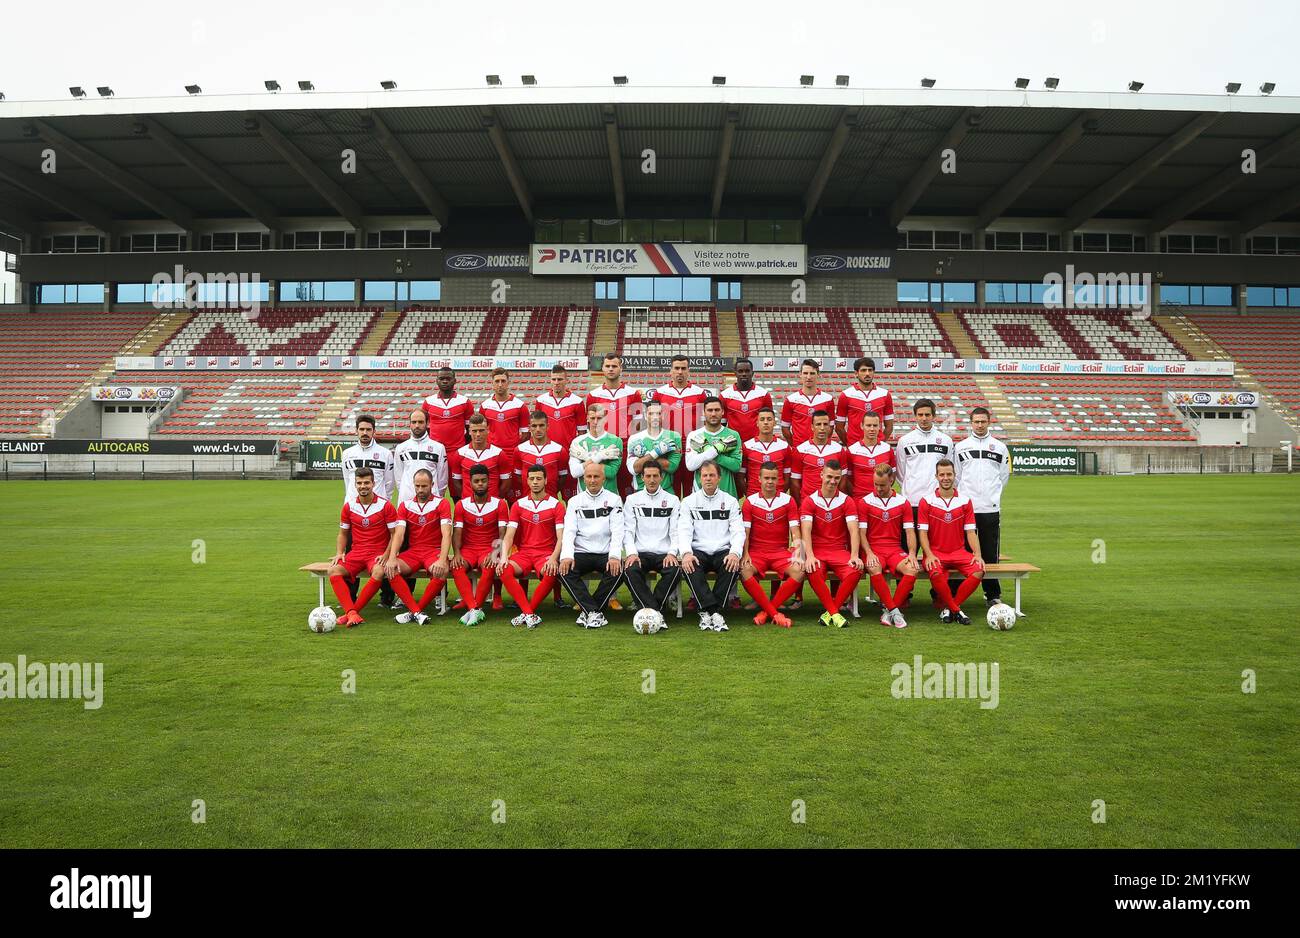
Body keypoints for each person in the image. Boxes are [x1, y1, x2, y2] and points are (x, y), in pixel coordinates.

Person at [328, 466, 401, 628]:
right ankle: (352, 613)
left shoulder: (385, 506)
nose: (363, 486)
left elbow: (394, 534)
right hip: (356, 553)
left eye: (366, 483)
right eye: (359, 483)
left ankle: (352, 612)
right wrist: (340, 552)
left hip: (377, 554)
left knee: (379, 571)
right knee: (333, 570)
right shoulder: (348, 506)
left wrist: (387, 554)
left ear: (373, 483)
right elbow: (342, 534)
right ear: (355, 484)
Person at [677, 461, 745, 632]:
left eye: (712, 475)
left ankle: (706, 612)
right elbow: (683, 531)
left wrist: (735, 553)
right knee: (689, 564)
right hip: (698, 550)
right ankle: (714, 612)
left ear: (719, 478)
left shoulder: (730, 501)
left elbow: (738, 531)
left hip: (723, 550)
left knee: (732, 565)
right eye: (705, 475)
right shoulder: (688, 502)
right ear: (700, 478)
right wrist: (685, 553)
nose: (708, 479)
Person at [917, 458, 985, 625]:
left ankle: (950, 608)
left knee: (979, 570)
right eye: (942, 475)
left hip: (958, 552)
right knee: (934, 571)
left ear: (955, 475)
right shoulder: (926, 501)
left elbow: (970, 531)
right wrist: (929, 555)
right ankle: (957, 611)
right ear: (936, 476)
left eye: (949, 474)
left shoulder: (965, 500)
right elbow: (922, 533)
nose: (945, 478)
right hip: (936, 553)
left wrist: (977, 554)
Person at [495, 464, 564, 629]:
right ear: (526, 481)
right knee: (504, 569)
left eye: (539, 478)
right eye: (532, 479)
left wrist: (554, 558)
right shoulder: (519, 505)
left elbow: (562, 538)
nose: (535, 482)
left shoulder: (556, 505)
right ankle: (529, 613)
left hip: (545, 554)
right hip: (525, 554)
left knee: (551, 571)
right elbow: (509, 535)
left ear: (546, 480)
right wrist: (504, 557)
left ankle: (527, 612)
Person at [954, 407, 1010, 605]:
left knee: (989, 553)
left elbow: (1003, 476)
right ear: (971, 422)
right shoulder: (960, 447)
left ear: (989, 422)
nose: (979, 425)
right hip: (965, 508)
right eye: (976, 421)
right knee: (961, 552)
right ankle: (956, 594)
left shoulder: (1000, 447)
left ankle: (992, 595)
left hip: (989, 508)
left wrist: (991, 496)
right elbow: (957, 477)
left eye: (983, 421)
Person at [559, 462, 625, 629]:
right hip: (582, 552)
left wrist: (615, 556)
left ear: (603, 478)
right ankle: (594, 611)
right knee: (564, 570)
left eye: (596, 476)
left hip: (605, 553)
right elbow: (569, 531)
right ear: (583, 479)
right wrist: (567, 556)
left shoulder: (614, 499)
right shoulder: (574, 501)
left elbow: (617, 531)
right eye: (589, 476)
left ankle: (589, 611)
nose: (593, 480)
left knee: (620, 569)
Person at [800, 460, 864, 629]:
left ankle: (830, 612)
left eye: (837, 478)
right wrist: (810, 556)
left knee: (856, 569)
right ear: (821, 475)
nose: (832, 481)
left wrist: (855, 555)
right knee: (812, 568)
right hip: (818, 551)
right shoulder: (810, 501)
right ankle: (835, 613)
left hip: (838, 550)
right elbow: (805, 530)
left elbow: (854, 530)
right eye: (829, 476)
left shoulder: (847, 501)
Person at [341, 414, 397, 607]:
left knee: (384, 553)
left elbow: (389, 483)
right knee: (351, 554)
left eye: (368, 429)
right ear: (356, 430)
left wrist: (382, 505)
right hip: (353, 511)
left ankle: (387, 596)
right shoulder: (347, 454)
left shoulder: (385, 453)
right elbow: (348, 481)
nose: (365, 433)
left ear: (374, 431)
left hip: (378, 512)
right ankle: (350, 597)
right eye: (361, 429)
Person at [384, 468, 453, 625]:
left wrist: (443, 559)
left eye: (424, 486)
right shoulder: (405, 505)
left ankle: (414, 611)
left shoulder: (442, 503)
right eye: (417, 486)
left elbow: (447, 534)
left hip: (432, 552)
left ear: (432, 484)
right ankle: (416, 611)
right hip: (413, 552)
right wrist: (392, 557)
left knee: (442, 572)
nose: (420, 490)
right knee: (391, 569)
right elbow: (399, 534)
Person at [739, 462, 804, 628]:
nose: (770, 481)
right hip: (757, 552)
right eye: (766, 478)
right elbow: (745, 533)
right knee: (744, 569)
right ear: (759, 479)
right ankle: (774, 612)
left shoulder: (788, 501)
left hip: (779, 552)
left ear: (779, 480)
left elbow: (795, 530)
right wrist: (745, 553)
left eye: (773, 478)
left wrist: (798, 552)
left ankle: (766, 611)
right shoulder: (750, 502)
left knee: (799, 570)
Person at [857, 464, 919, 629]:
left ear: (891, 480)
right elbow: (861, 533)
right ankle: (895, 611)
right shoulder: (865, 502)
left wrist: (912, 553)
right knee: (874, 567)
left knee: (912, 569)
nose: (878, 488)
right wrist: (868, 553)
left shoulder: (902, 502)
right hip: (873, 550)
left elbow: (910, 532)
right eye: (875, 484)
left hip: (894, 550)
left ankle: (889, 611)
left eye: (882, 485)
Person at [449, 465, 509, 626]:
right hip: (468, 549)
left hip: (488, 549)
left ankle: (473, 608)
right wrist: (457, 553)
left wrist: (495, 552)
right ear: (470, 483)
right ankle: (474, 608)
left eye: (483, 480)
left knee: (490, 567)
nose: (480, 484)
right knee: (456, 566)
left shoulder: (500, 504)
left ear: (489, 482)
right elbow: (457, 532)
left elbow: (503, 532)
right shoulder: (461, 505)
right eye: (476, 481)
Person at [622, 462, 683, 618]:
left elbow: (676, 532)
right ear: (642, 478)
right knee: (629, 570)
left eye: (655, 476)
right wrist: (631, 553)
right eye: (648, 476)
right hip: (640, 553)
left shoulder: (673, 500)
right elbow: (628, 531)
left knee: (675, 571)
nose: (652, 480)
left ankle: (649, 610)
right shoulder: (631, 500)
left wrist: (671, 553)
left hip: (664, 553)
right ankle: (654, 611)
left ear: (661, 477)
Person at [652, 354, 712, 496]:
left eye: (683, 368)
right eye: (677, 368)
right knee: (669, 488)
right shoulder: (660, 393)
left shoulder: (699, 393)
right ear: (670, 371)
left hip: (693, 448)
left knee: (693, 488)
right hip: (669, 449)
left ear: (688, 370)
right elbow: (653, 421)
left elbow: (706, 422)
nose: (680, 372)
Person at [586, 352, 642, 496]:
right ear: (603, 369)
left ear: (620, 368)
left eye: (614, 366)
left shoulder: (633, 393)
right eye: (607, 366)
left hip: (625, 448)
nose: (611, 369)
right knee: (603, 490)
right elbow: (591, 424)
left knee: (627, 491)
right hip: (601, 448)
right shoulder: (593, 395)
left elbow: (638, 425)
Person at [894, 397, 954, 518]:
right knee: (912, 536)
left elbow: (948, 470)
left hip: (937, 501)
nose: (924, 418)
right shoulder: (904, 441)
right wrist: (910, 487)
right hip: (911, 501)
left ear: (933, 416)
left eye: (927, 414)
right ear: (915, 416)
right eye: (920, 415)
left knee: (936, 537)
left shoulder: (945, 440)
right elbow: (901, 473)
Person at [534, 364, 586, 497]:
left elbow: (582, 433)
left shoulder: (577, 402)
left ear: (566, 380)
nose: (556, 383)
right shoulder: (541, 401)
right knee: (545, 494)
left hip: (568, 455)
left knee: (571, 496)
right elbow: (536, 428)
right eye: (554, 379)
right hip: (547, 454)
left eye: (560, 379)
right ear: (550, 380)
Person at [480, 367, 530, 485]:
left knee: (514, 492)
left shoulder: (519, 405)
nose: (500, 384)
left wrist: (515, 450)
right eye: (497, 381)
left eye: (503, 381)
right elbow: (481, 432)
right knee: (492, 490)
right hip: (491, 453)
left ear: (508, 383)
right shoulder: (485, 405)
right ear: (492, 384)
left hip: (512, 455)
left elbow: (526, 434)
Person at [684, 397, 743, 496]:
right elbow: (691, 465)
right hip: (700, 492)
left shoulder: (733, 435)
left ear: (723, 411)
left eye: (717, 410)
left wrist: (708, 451)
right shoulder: (694, 435)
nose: (713, 414)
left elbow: (736, 466)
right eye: (710, 410)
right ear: (703, 412)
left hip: (727, 493)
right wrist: (716, 449)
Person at [791, 409, 849, 501]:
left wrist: (838, 501)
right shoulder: (800, 450)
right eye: (818, 424)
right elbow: (795, 482)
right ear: (812, 427)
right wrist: (801, 503)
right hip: (808, 502)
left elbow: (843, 479)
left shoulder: (838, 449)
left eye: (825, 424)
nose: (822, 428)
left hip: (832, 502)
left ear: (830, 427)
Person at [452, 413, 512, 501]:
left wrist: (495, 500)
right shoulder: (460, 453)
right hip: (468, 504)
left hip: (492, 505)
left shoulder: (498, 453)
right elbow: (456, 482)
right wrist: (466, 499)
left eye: (481, 430)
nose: (478, 434)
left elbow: (506, 483)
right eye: (474, 431)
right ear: (469, 431)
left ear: (488, 430)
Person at [626, 400, 682, 494]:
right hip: (641, 491)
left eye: (658, 413)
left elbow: (672, 467)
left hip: (666, 490)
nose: (655, 417)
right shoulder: (635, 438)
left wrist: (645, 457)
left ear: (663, 416)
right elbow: (634, 469)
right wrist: (657, 452)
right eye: (651, 413)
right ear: (645, 416)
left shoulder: (674, 436)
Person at [836, 357, 895, 446]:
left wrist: (880, 443)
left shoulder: (885, 394)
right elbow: (839, 427)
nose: (867, 373)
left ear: (873, 372)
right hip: (854, 448)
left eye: (870, 370)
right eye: (863, 370)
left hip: (877, 448)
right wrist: (850, 445)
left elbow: (889, 427)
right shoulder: (846, 395)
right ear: (856, 373)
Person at [394, 409, 448, 503]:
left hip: (431, 502)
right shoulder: (401, 448)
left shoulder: (438, 448)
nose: (417, 425)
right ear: (410, 424)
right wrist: (406, 492)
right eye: (414, 422)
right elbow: (398, 478)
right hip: (407, 500)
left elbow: (442, 479)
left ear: (427, 423)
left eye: (420, 422)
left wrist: (436, 496)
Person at [569, 403, 623, 494]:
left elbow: (611, 472)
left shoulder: (616, 441)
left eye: (599, 418)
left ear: (605, 418)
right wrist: (600, 456)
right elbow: (575, 472)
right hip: (584, 496)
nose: (595, 422)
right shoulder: (577, 442)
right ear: (587, 418)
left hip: (609, 495)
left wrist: (586, 458)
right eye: (592, 418)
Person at [781, 359, 836, 448]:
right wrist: (796, 446)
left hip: (821, 448)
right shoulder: (791, 400)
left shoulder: (828, 399)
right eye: (805, 373)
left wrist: (821, 443)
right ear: (800, 374)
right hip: (799, 449)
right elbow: (785, 428)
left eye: (812, 373)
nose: (809, 377)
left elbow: (830, 426)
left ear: (818, 374)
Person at [421, 366, 475, 455]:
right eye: (441, 378)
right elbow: (424, 428)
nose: (445, 381)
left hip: (458, 451)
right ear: (436, 380)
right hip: (434, 451)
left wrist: (464, 447)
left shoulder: (464, 401)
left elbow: (470, 429)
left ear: (454, 380)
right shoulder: (428, 402)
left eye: (448, 378)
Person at [515, 410, 568, 500]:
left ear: (547, 426)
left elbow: (562, 478)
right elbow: (518, 477)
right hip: (528, 501)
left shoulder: (559, 450)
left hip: (551, 501)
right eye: (534, 426)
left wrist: (550, 490)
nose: (538, 429)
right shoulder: (519, 449)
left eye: (541, 425)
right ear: (529, 428)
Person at [740, 406, 792, 497]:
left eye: (769, 419)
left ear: (774, 423)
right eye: (762, 419)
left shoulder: (784, 446)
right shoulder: (747, 446)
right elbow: (740, 477)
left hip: (777, 498)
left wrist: (780, 494)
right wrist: (749, 495)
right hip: (754, 497)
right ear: (757, 423)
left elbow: (787, 478)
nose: (765, 422)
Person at [719, 357, 773, 444]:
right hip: (733, 444)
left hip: (757, 444)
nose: (744, 374)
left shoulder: (763, 394)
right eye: (740, 371)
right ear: (735, 373)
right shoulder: (725, 395)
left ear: (752, 373)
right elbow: (722, 424)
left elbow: (769, 422)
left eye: (747, 371)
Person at [846, 411, 894, 498]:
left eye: (875, 425)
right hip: (859, 499)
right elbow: (848, 479)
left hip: (881, 499)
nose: (872, 429)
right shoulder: (852, 450)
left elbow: (892, 475)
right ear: (862, 426)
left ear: (879, 426)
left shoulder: (887, 449)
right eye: (868, 425)